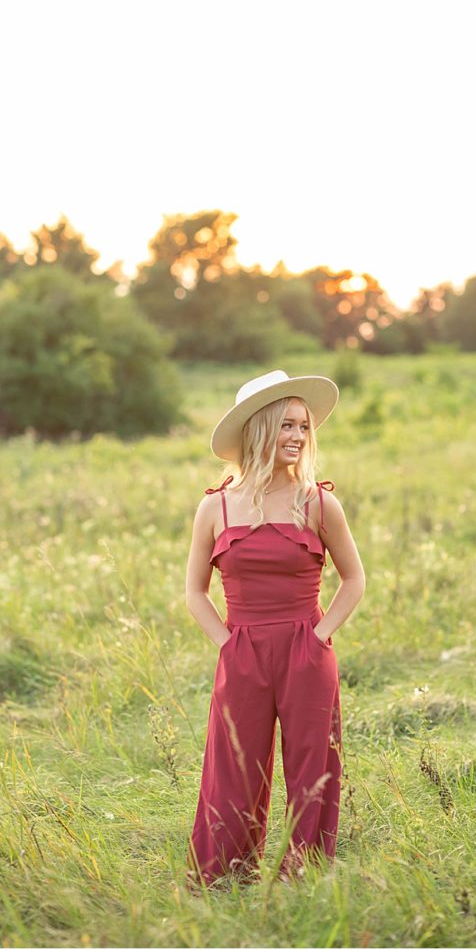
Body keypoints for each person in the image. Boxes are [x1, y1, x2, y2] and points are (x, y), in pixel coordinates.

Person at [184, 370, 366, 884]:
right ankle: (227, 875)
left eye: (304, 427)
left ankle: (302, 875)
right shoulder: (215, 507)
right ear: (259, 428)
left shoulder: (319, 502)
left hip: (306, 648)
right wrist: (227, 643)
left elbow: (354, 579)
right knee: (234, 766)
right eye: (287, 425)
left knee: (313, 768)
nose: (299, 436)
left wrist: (319, 637)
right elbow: (194, 591)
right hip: (242, 649)